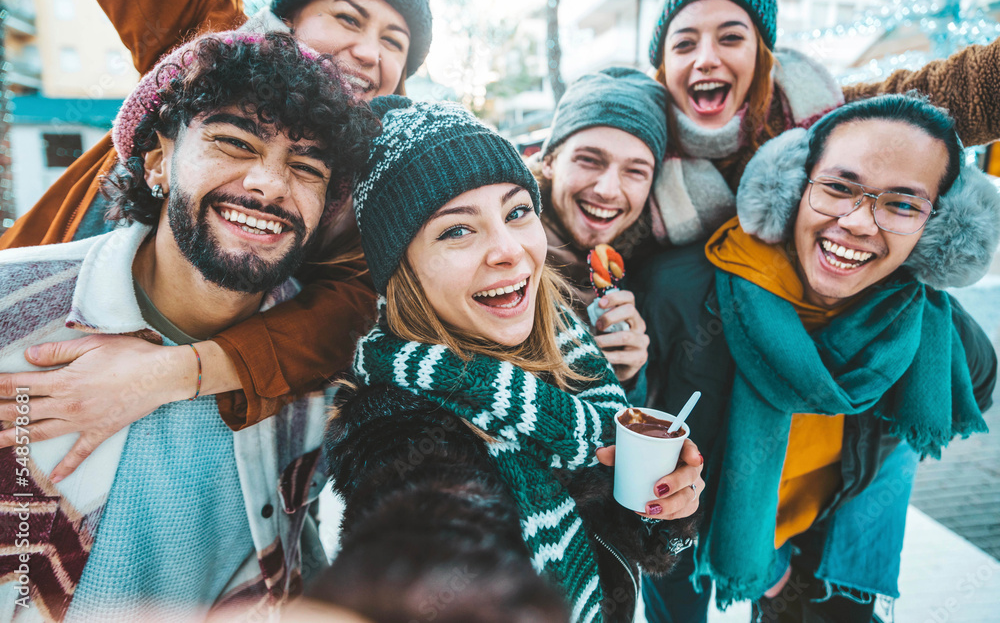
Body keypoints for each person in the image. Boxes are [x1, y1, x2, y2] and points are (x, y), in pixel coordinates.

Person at [0, 0, 432, 479]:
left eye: (394, 41)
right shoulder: (208, 56)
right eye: (348, 17)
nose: (368, 51)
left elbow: (343, 317)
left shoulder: (378, 191)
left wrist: (169, 374)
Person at [0, 31, 380, 621]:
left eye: (305, 167)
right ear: (157, 159)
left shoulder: (329, 374)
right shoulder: (11, 308)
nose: (269, 184)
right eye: (233, 143)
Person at [304, 96, 703, 622]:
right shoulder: (396, 425)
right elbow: (425, 526)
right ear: (403, 270)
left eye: (517, 212)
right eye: (457, 230)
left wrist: (666, 516)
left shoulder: (572, 351)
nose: (509, 250)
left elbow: (633, 550)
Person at [635, 94, 998, 622]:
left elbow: (977, 387)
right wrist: (765, 566)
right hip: (687, 526)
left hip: (821, 533)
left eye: (901, 204)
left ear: (936, 230)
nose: (857, 223)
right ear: (789, 189)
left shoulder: (924, 326)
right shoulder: (678, 293)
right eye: (838, 187)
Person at [645, 0, 1000, 247]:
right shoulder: (636, 147)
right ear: (663, 67)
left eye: (731, 38)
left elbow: (956, 91)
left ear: (760, 58)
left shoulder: (830, 120)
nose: (706, 59)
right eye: (684, 44)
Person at [531, 66, 668, 389]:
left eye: (635, 171)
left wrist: (626, 377)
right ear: (549, 161)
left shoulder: (630, 274)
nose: (607, 190)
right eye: (589, 160)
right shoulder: (501, 254)